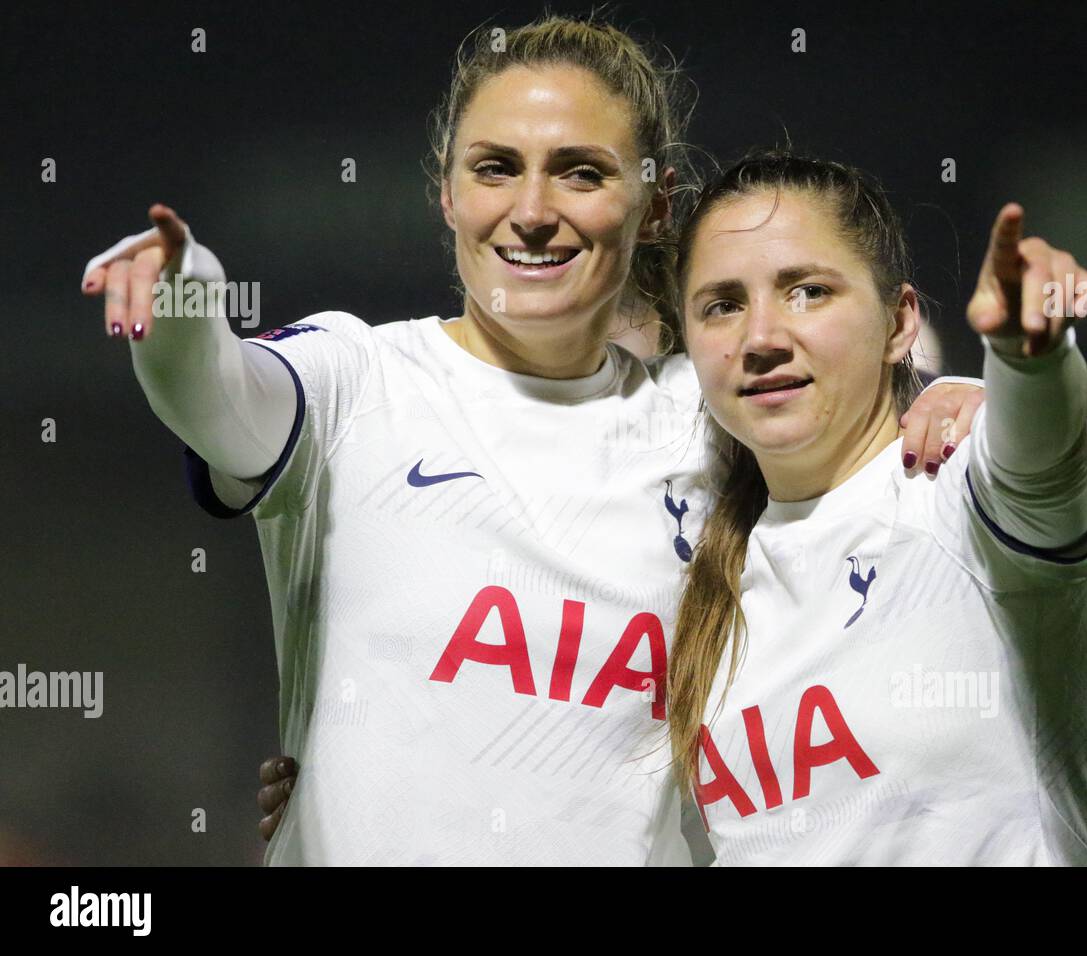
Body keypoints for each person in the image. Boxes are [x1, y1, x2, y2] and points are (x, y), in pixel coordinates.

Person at [80, 14, 982, 865]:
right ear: (446, 191)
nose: (534, 209)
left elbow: (848, 375)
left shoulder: (710, 420)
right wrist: (184, 292)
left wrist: (958, 394)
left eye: (582, 172)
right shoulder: (356, 383)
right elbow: (217, 390)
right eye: (496, 167)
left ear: (657, 203)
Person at [665, 150, 1087, 865]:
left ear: (901, 322)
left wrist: (1031, 360)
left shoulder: (962, 493)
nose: (760, 339)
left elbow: (1042, 456)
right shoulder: (692, 586)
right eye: (722, 305)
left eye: (807, 291)